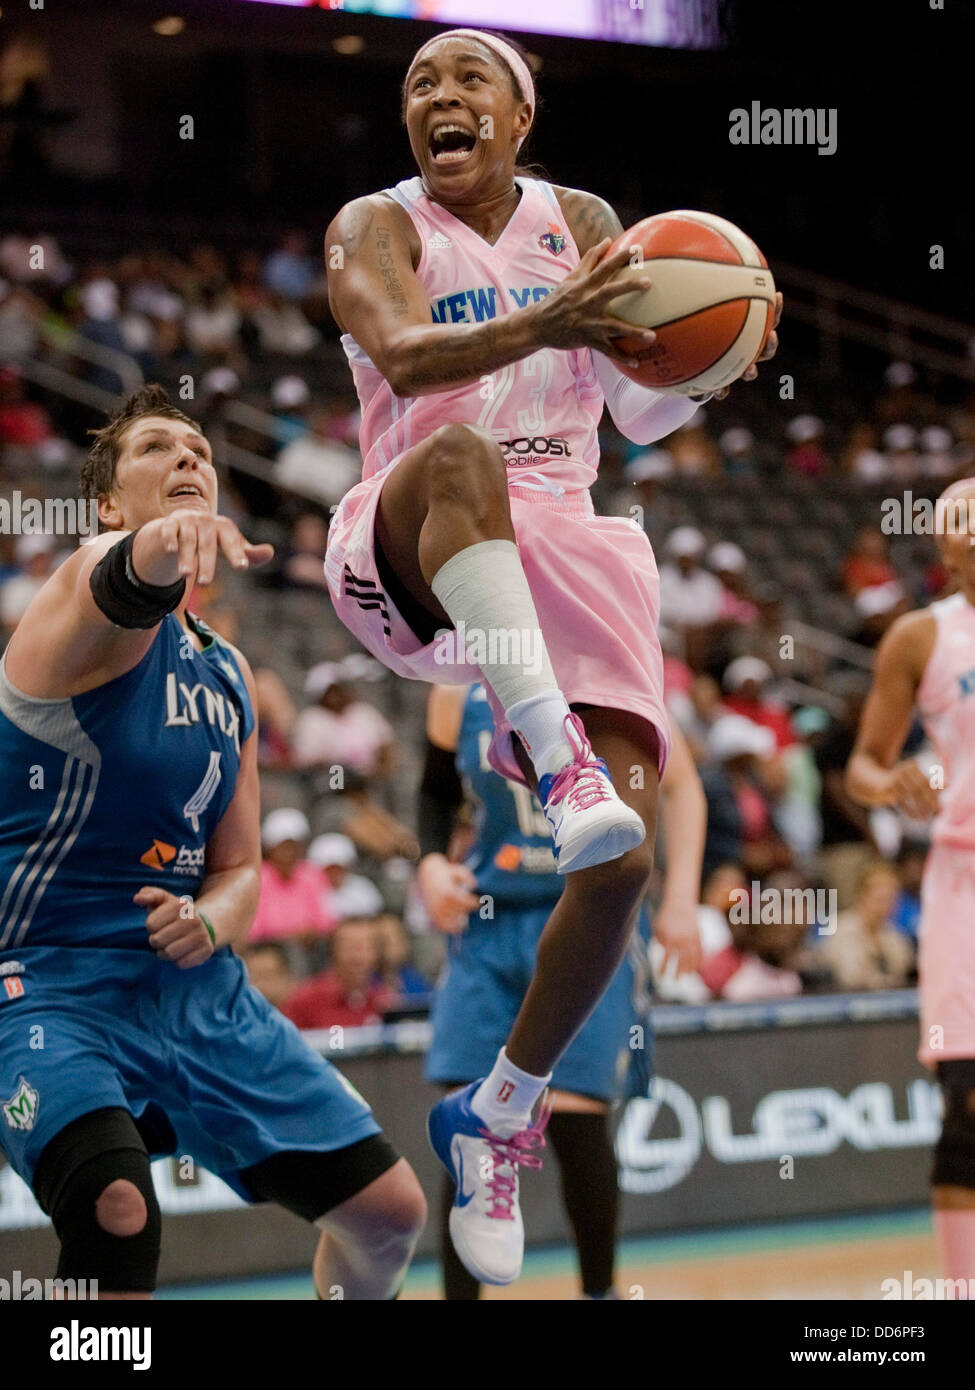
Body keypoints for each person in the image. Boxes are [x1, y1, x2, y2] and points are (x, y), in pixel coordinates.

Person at [323, 24, 780, 1285]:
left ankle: (504, 1110)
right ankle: (557, 766)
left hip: (569, 541)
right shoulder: (376, 223)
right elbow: (410, 357)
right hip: (413, 533)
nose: (439, 96)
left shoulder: (579, 216)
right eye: (420, 83)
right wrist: (548, 322)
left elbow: (634, 402)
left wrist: (715, 359)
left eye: (469, 78)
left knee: (622, 863)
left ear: (519, 116)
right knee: (466, 451)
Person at [0, 385, 425, 1300]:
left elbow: (236, 867)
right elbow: (123, 575)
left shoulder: (228, 670)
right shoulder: (74, 599)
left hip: (196, 991)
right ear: (110, 503)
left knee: (388, 1215)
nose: (189, 459)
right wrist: (163, 543)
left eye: (199, 449)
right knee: (118, 1206)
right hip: (50, 982)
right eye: (157, 449)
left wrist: (212, 916)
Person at [417, 682, 704, 1298]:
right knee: (474, 1132)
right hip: (490, 922)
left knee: (576, 1118)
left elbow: (681, 786)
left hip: (589, 915)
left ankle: (598, 1292)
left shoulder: (607, 665)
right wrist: (431, 863)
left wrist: (681, 899)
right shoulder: (453, 685)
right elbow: (435, 792)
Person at [846, 477, 975, 1296]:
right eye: (955, 523)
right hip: (962, 883)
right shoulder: (918, 639)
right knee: (965, 1105)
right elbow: (861, 764)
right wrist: (890, 782)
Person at [284, 917, 396, 1030]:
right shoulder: (305, 1000)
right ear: (333, 951)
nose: (357, 956)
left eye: (365, 947)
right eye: (348, 947)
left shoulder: (387, 1001)